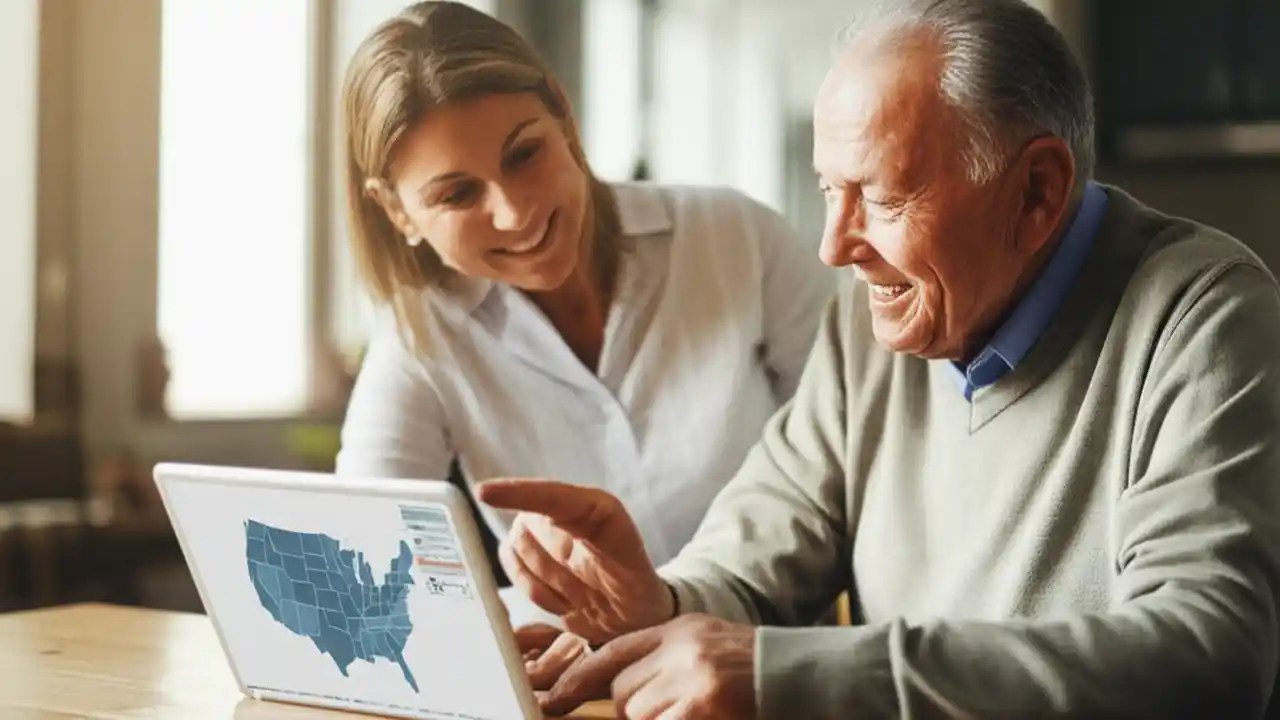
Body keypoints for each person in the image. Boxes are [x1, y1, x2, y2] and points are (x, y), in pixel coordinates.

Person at [477, 0, 1280, 717]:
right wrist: (655, 602)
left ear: (1035, 193)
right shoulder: (872, 328)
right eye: (831, 190)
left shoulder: (1205, 314)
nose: (834, 247)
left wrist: (798, 679)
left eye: (884, 199)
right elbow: (752, 568)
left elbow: (1207, 653)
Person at [333, 0, 833, 633]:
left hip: (767, 659)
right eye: (458, 194)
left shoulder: (733, 237)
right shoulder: (419, 339)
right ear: (397, 211)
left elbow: (856, 459)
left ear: (563, 117)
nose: (515, 214)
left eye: (525, 154)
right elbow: (363, 563)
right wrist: (546, 617)